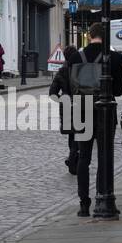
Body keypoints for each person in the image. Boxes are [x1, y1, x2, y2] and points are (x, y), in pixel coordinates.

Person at [71, 22, 122, 217]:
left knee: (83, 157)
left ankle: (83, 204)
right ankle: (102, 197)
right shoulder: (116, 58)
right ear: (107, 37)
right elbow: (119, 90)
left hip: (81, 108)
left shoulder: (76, 56)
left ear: (89, 35)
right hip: (105, 112)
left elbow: (70, 88)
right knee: (104, 155)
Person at [48, 44, 83, 174]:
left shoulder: (62, 71)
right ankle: (74, 158)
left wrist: (62, 100)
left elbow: (52, 93)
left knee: (71, 134)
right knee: (79, 133)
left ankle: (72, 157)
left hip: (67, 105)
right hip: (80, 103)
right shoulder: (81, 70)